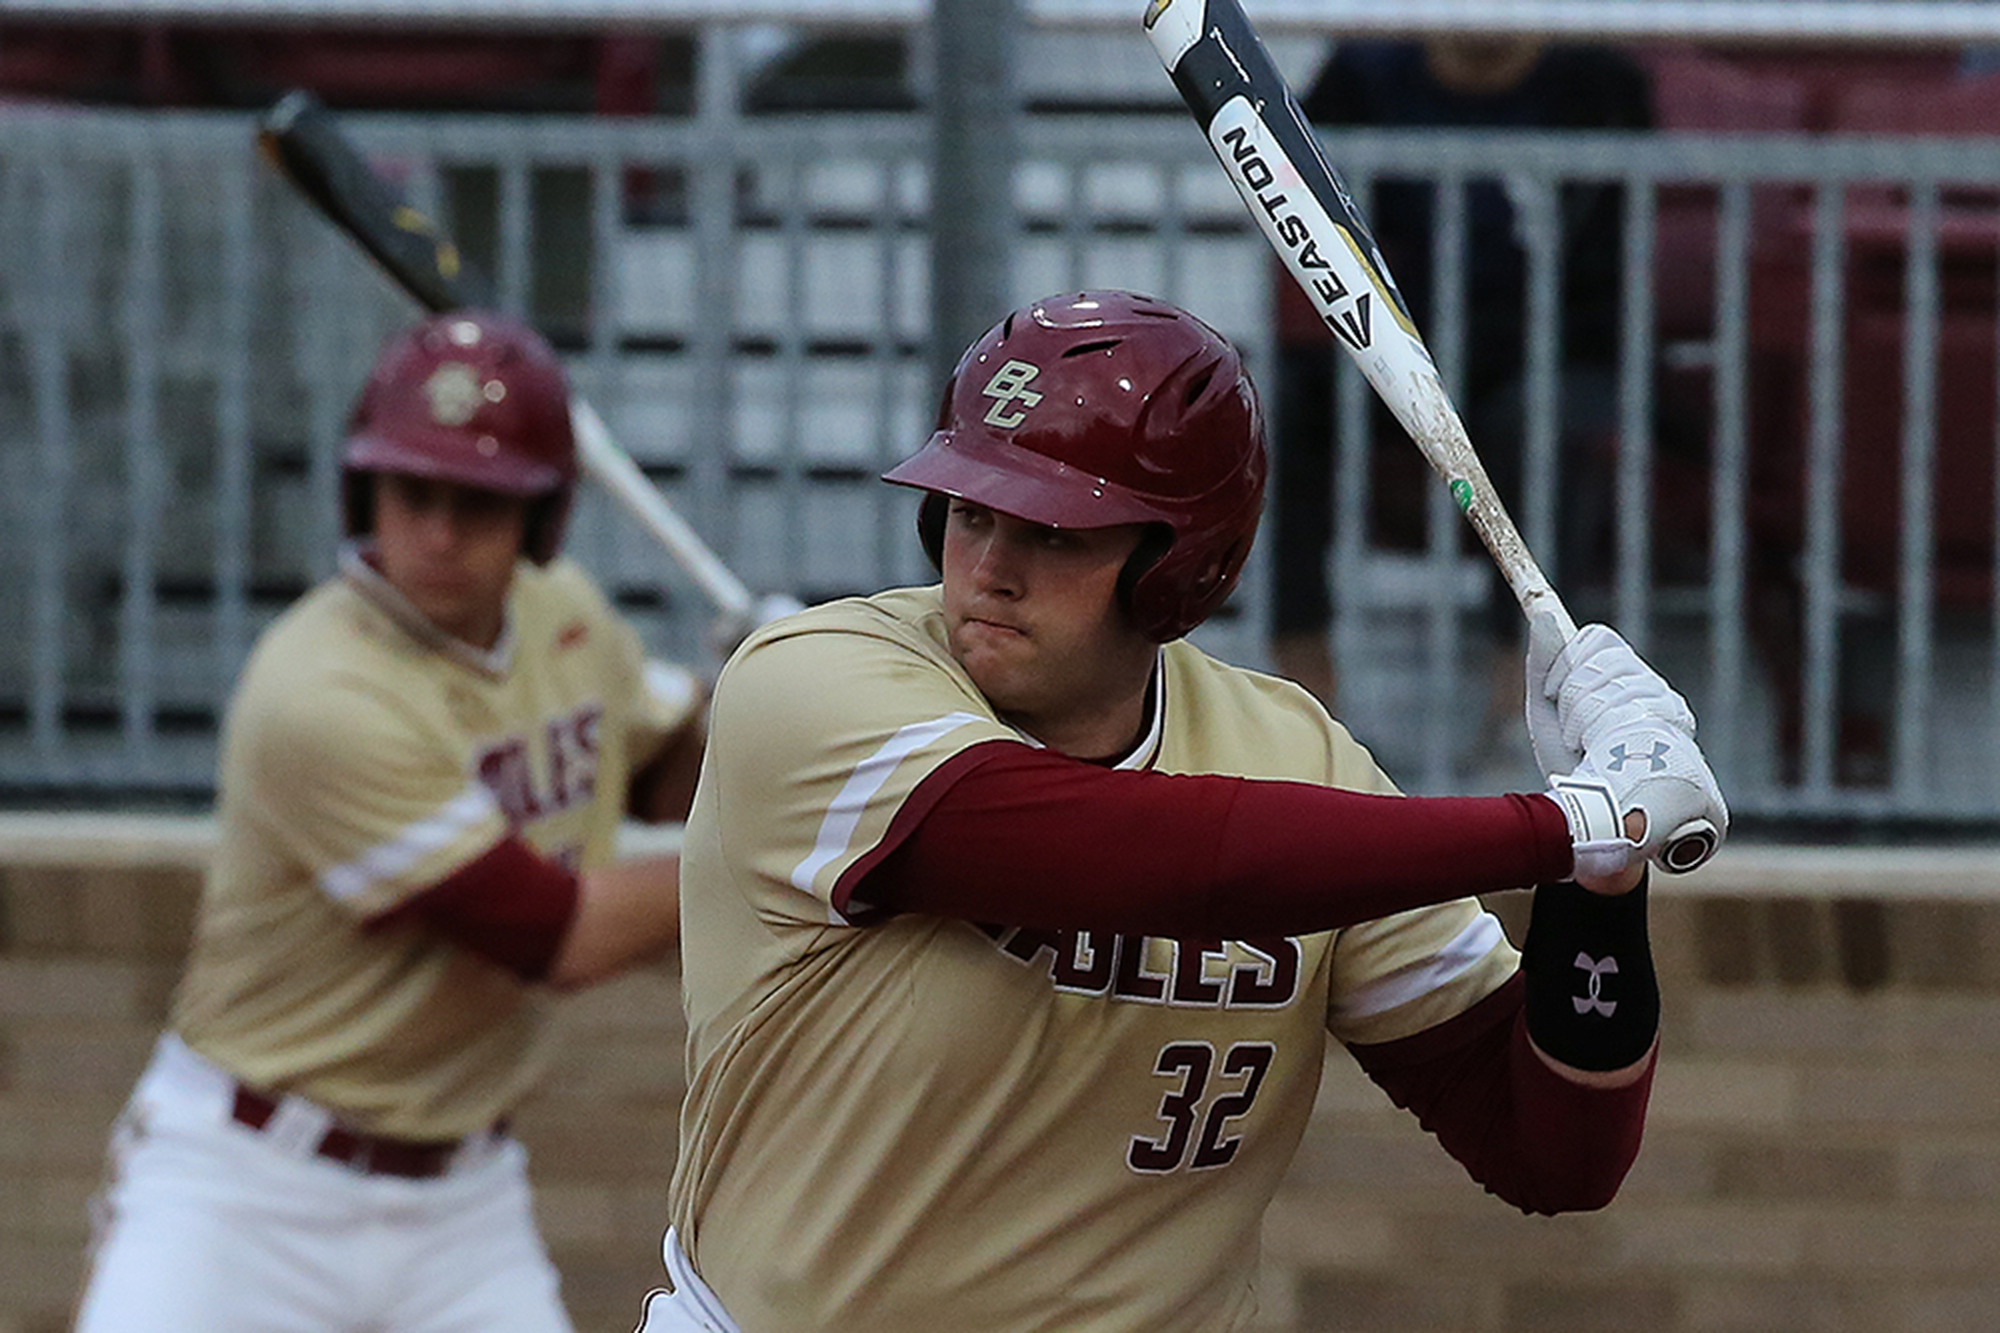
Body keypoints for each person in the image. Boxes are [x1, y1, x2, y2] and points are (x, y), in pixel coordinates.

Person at [638, 291, 1726, 1333]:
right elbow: (1149, 858)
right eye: (970, 509)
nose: (990, 568)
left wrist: (1601, 882)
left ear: (1182, 564)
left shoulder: (1295, 758)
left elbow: (1554, 1153)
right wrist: (1561, 822)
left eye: (1053, 531)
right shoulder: (813, 679)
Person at [74, 310, 708, 1333]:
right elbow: (554, 936)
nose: (439, 533)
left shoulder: (565, 617)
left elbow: (666, 766)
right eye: (412, 490)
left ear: (541, 520)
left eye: (478, 501)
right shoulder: (319, 688)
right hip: (246, 1186)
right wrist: (776, 848)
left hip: (463, 1193)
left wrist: (768, 694)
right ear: (365, 488)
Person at [1267, 35, 1654, 721]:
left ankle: (1522, 703)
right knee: (1280, 407)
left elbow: (1615, 264)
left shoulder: (1601, 83)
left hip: (1550, 353)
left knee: (1539, 427)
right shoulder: (1358, 77)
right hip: (1393, 350)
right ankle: (1303, 696)